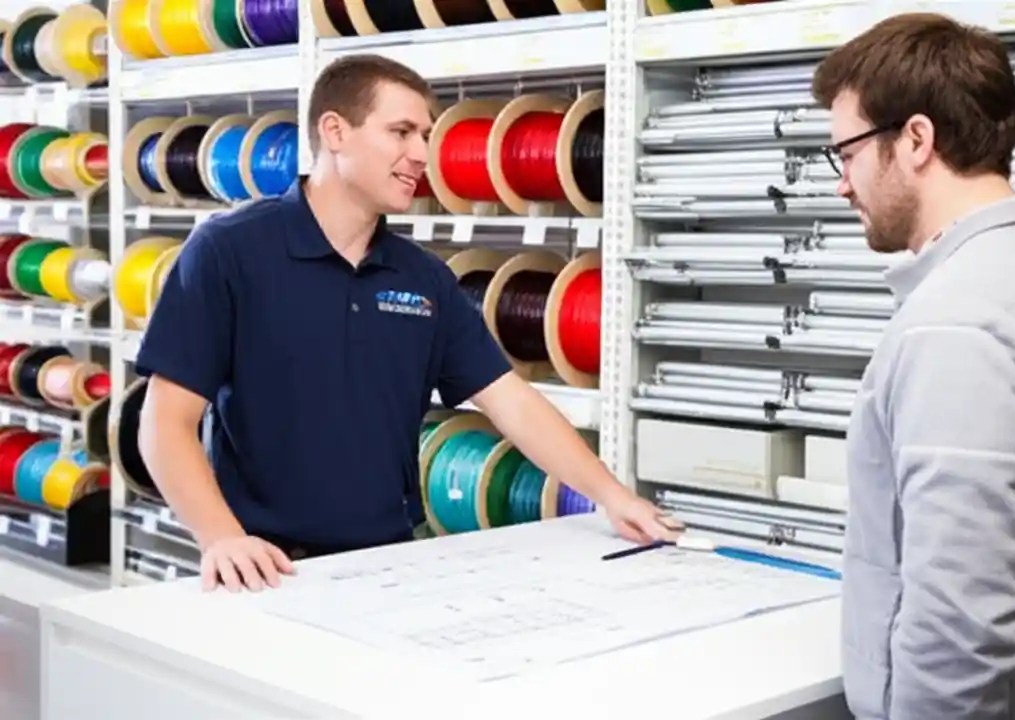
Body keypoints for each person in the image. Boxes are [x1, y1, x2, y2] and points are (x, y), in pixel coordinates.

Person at [135, 54, 680, 594]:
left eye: (425, 135)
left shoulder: (423, 278)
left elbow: (511, 402)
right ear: (335, 132)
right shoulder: (229, 252)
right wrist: (222, 538)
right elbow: (164, 425)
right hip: (266, 571)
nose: (421, 154)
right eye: (401, 132)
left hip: (389, 565)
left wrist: (613, 497)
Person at [811, 13, 1015, 719]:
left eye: (848, 154)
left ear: (916, 140)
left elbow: (960, 633)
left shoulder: (960, 325)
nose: (842, 185)